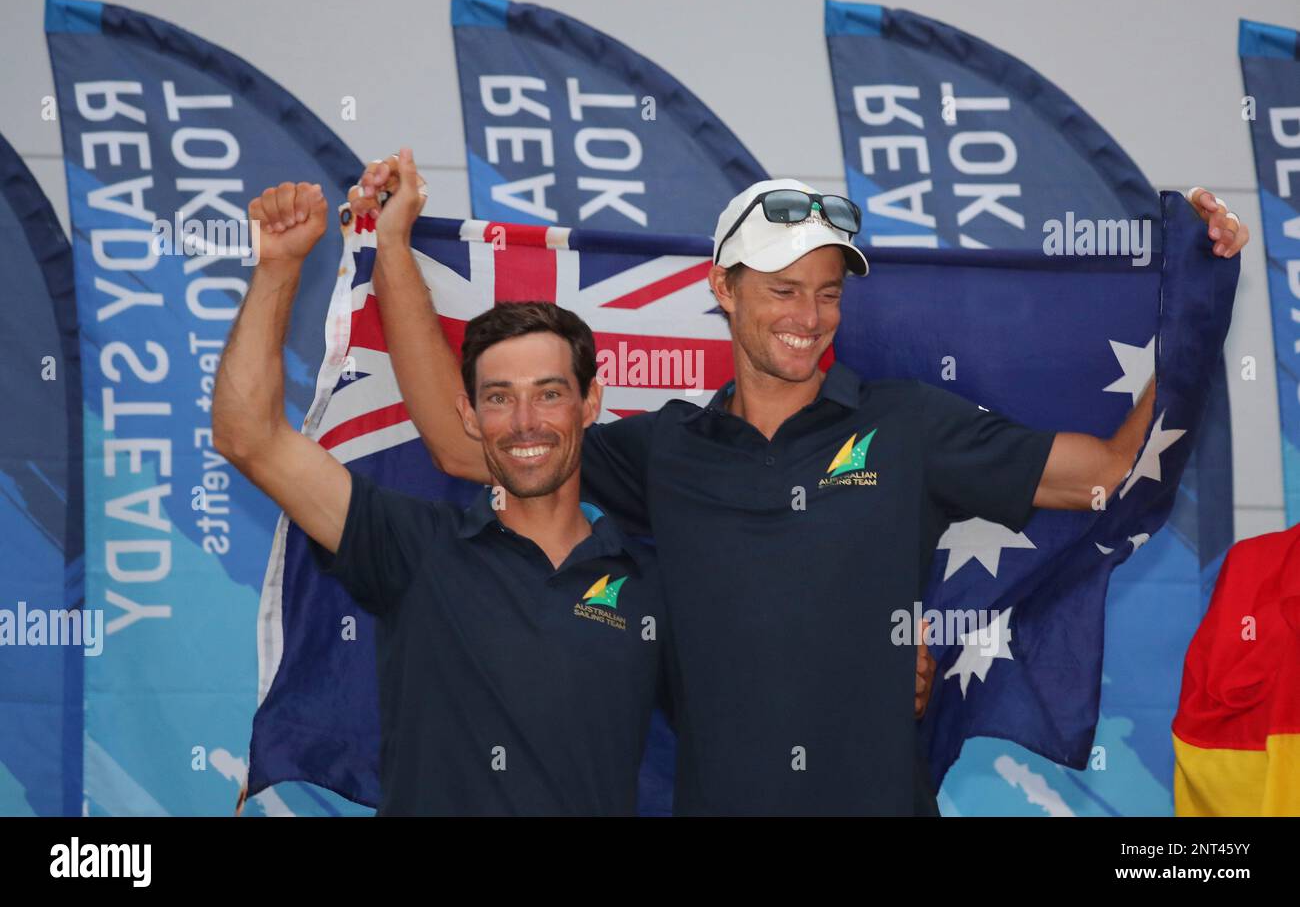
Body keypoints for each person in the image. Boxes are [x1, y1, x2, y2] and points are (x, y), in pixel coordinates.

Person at [354, 151, 1247, 814]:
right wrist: (392, 247)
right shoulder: (667, 450)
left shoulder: (906, 425)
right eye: (782, 290)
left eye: (826, 292)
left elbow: (1104, 473)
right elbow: (462, 446)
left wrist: (1197, 306)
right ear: (723, 290)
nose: (808, 318)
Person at [213, 181, 666, 815]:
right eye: (500, 397)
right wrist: (280, 266)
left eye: (550, 393)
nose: (527, 420)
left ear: (591, 404)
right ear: (471, 416)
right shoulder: (415, 547)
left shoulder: (653, 584)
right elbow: (249, 438)